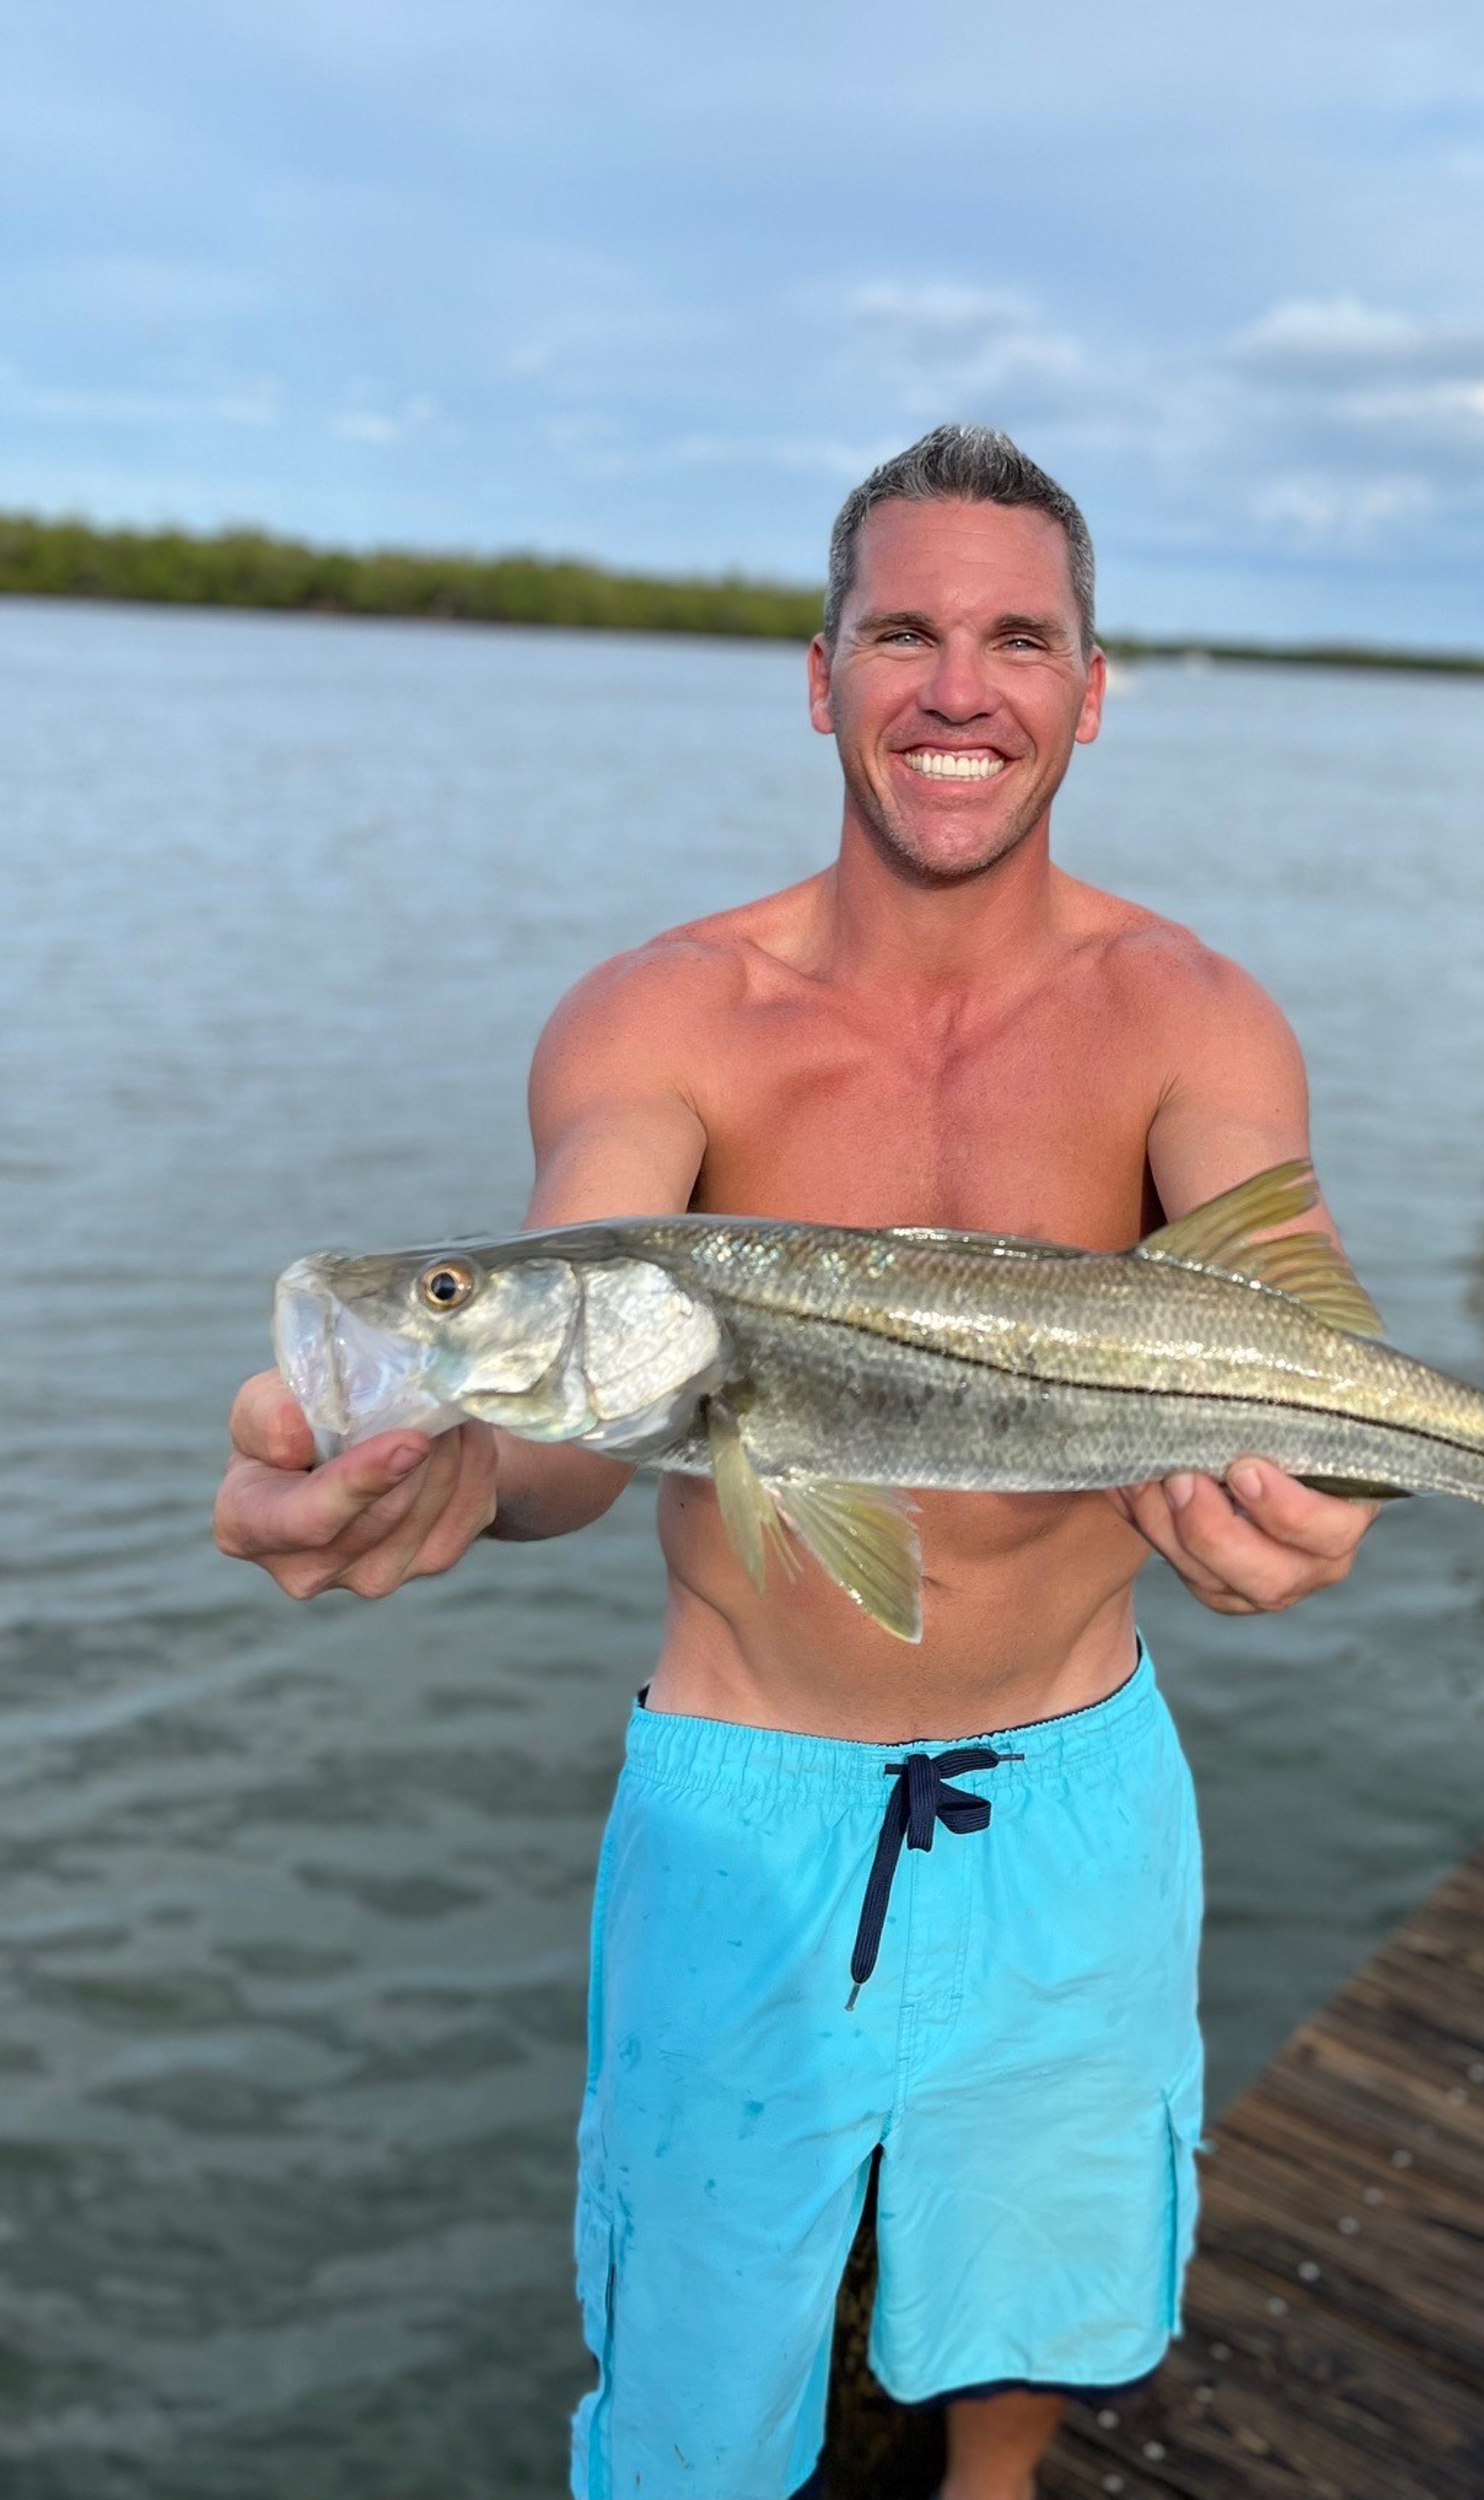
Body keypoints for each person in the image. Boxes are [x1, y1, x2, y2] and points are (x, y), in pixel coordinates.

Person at [214, 425, 1379, 2500]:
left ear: (1090, 690)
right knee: (691, 2386)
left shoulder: (1198, 1012)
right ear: (819, 670)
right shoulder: (658, 1011)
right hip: (736, 1804)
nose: (959, 688)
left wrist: (1315, 1497)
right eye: (902, 631)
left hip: (1080, 1779)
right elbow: (597, 1379)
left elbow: (1301, 1335)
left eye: (1018, 637)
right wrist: (459, 1463)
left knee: (1034, 2322)